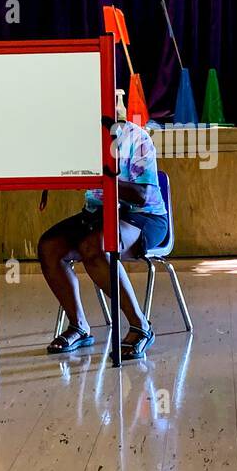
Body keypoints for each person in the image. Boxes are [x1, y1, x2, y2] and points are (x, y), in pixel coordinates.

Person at [38, 93, 167, 360]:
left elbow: (141, 195)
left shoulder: (137, 138)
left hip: (143, 217)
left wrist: (102, 177)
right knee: (49, 247)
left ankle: (141, 326)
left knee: (95, 246)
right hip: (98, 214)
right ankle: (79, 327)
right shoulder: (82, 139)